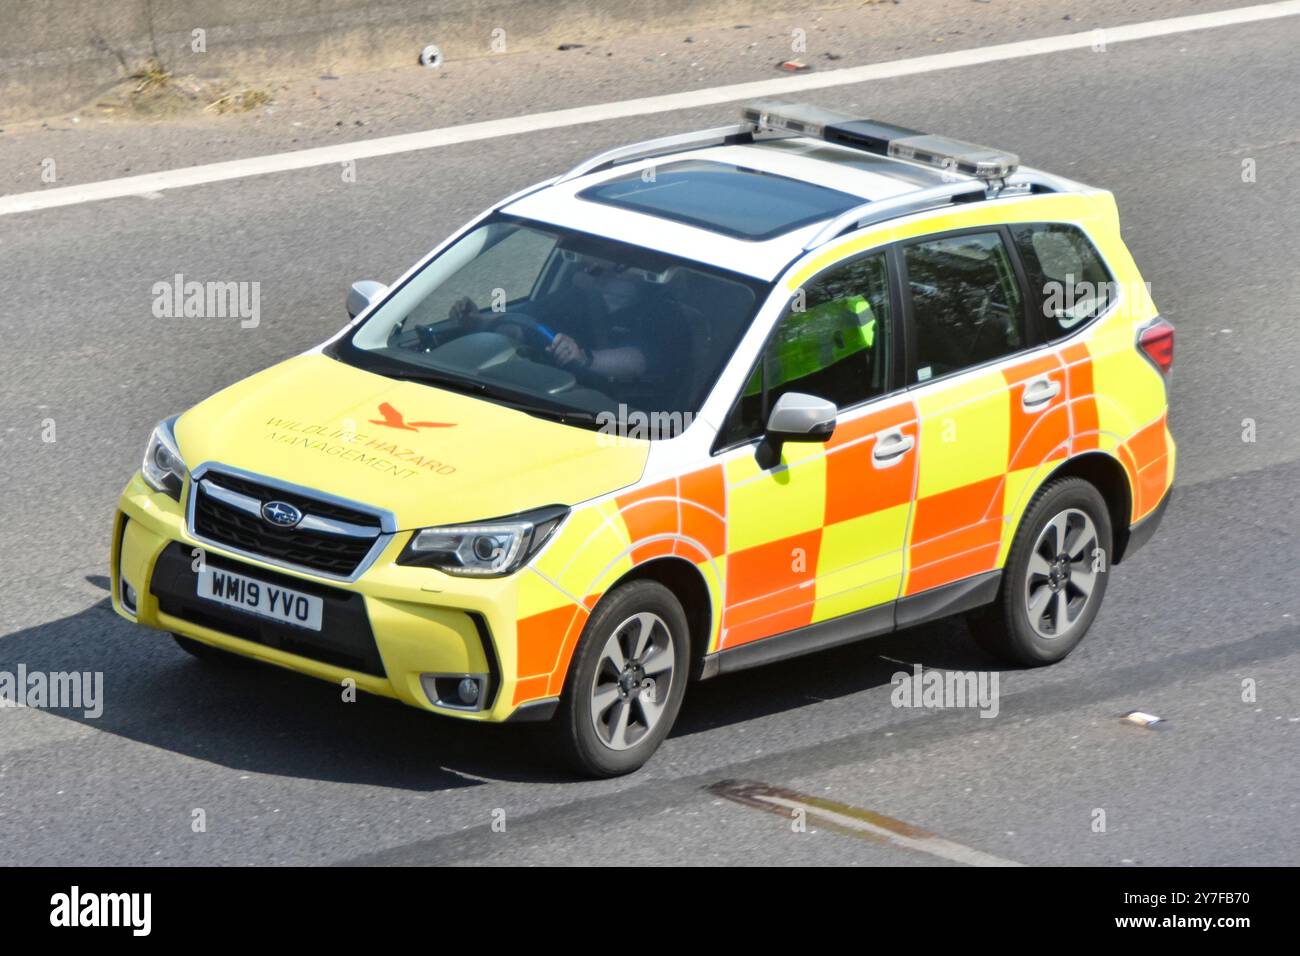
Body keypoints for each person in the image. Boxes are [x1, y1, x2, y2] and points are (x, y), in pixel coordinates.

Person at [447, 262, 676, 383]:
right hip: (545, 393)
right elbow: (521, 325)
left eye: (620, 265)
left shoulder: (663, 312)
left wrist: (584, 358)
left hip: (615, 414)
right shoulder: (574, 298)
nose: (600, 269)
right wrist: (476, 321)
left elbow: (638, 360)